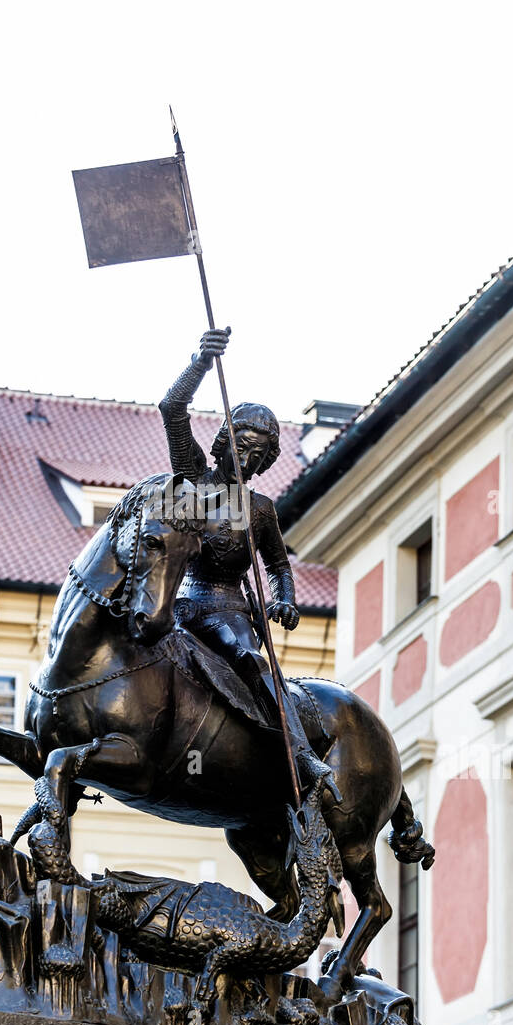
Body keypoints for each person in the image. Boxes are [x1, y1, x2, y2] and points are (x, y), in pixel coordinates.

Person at [159, 327, 332, 793]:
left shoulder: (259, 510)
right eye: (241, 444)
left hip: (226, 611)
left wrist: (286, 601)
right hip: (176, 604)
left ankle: (300, 756)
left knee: (251, 662)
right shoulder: (192, 476)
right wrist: (201, 361)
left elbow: (277, 565)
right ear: (222, 442)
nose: (247, 458)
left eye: (258, 454)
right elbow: (172, 411)